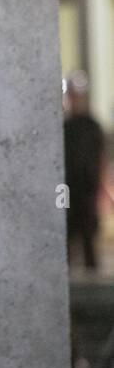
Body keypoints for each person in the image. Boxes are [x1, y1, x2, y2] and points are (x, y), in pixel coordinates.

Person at [63, 71, 105, 271]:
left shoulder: (92, 127)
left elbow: (99, 159)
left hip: (87, 191)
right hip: (68, 191)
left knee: (88, 241)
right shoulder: (66, 128)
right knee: (67, 242)